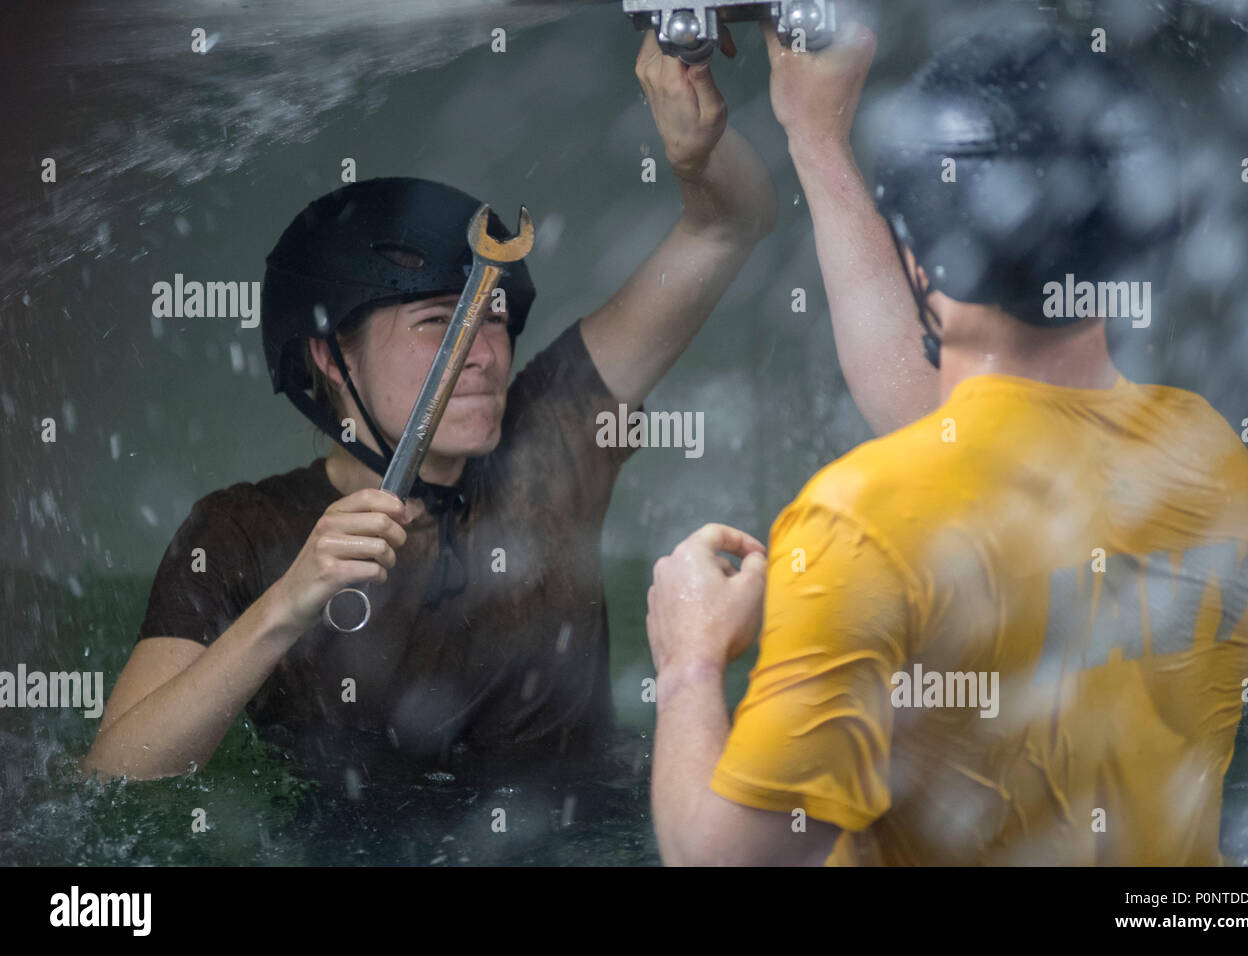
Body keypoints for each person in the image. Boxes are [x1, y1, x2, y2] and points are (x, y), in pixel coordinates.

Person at [83, 30, 779, 786]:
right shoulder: (240, 534)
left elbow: (727, 226)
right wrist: (287, 604)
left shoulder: (554, 431)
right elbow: (116, 775)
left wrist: (698, 156)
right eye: (434, 326)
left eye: (491, 319)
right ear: (330, 357)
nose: (481, 353)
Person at [646, 22, 1248, 865]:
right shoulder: (1205, 455)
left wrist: (688, 659)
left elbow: (723, 859)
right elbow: (950, 434)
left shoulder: (858, 523)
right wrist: (816, 141)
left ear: (921, 255)